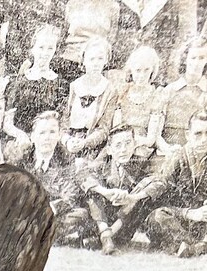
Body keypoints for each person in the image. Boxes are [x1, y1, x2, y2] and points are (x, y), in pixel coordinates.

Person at [108, 111, 207, 253]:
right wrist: (189, 213)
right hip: (178, 219)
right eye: (198, 134)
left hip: (203, 221)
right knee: (157, 217)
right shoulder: (177, 157)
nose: (203, 140)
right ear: (188, 135)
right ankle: (195, 246)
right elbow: (160, 184)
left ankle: (191, 247)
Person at [6, 108, 85, 241]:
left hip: (51, 212)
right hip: (26, 210)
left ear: (59, 135)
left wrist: (50, 208)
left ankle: (33, 235)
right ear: (33, 136)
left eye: (52, 132)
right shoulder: (22, 158)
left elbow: (70, 194)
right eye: (42, 133)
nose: (47, 138)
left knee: (80, 214)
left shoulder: (65, 160)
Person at [2, 22, 66, 144]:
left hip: (48, 140)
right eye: (41, 47)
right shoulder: (18, 82)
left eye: (50, 48)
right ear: (33, 48)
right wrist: (20, 135)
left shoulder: (61, 84)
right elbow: (7, 123)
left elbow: (61, 122)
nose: (45, 53)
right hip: (22, 139)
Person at [78, 124, 139, 249]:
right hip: (100, 220)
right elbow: (82, 174)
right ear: (109, 150)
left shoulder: (141, 165)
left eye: (128, 143)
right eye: (118, 145)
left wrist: (130, 197)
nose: (123, 149)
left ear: (135, 144)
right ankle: (105, 235)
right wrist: (105, 191)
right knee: (92, 188)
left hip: (122, 225)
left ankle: (107, 235)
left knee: (143, 194)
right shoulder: (103, 164)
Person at [111, 44, 165, 177]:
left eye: (146, 70)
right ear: (131, 71)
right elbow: (116, 128)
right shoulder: (123, 91)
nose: (141, 75)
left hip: (142, 148)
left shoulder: (156, 94)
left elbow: (151, 138)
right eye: (138, 70)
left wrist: (133, 143)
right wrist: (124, 144)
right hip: (121, 143)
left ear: (152, 71)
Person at [64, 34, 116, 155]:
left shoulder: (110, 90)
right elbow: (63, 121)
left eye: (100, 59)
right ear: (84, 60)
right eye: (92, 59)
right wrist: (67, 140)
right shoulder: (74, 86)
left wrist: (85, 143)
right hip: (69, 142)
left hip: (93, 146)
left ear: (106, 60)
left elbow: (104, 128)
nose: (96, 63)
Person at [157, 38, 207, 158]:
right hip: (168, 152)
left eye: (202, 58)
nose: (196, 63)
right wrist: (167, 149)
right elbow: (157, 133)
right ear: (185, 59)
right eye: (193, 58)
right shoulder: (169, 90)